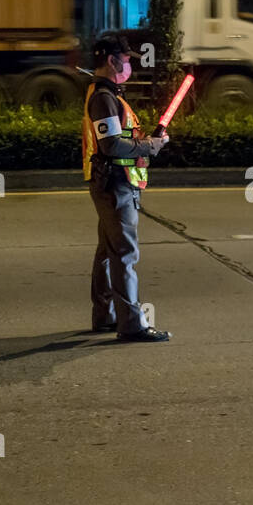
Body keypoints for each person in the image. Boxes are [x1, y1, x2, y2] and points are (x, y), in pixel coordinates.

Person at [83, 34, 171, 342]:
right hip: (116, 184)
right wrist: (149, 146)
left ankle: (105, 315)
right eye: (127, 58)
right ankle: (132, 324)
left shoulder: (106, 93)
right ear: (112, 60)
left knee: (108, 251)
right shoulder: (104, 97)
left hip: (109, 182)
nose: (130, 63)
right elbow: (110, 145)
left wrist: (149, 140)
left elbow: (118, 138)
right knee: (124, 253)